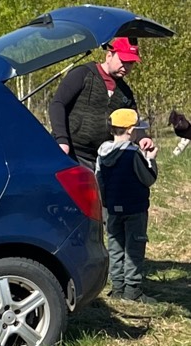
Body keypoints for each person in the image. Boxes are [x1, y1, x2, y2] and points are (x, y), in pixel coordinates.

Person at [96, 108, 158, 305]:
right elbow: (148, 179)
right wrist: (151, 159)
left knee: (115, 247)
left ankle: (117, 287)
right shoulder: (133, 154)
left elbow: (99, 182)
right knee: (134, 246)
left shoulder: (102, 154)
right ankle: (132, 290)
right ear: (131, 131)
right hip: (135, 208)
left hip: (113, 208)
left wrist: (106, 204)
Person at [48, 37, 140, 169]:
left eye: (130, 63)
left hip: (101, 159)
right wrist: (62, 140)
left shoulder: (125, 92)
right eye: (123, 61)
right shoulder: (83, 74)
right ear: (109, 56)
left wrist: (143, 139)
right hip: (70, 154)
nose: (126, 67)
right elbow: (57, 104)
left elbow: (134, 120)